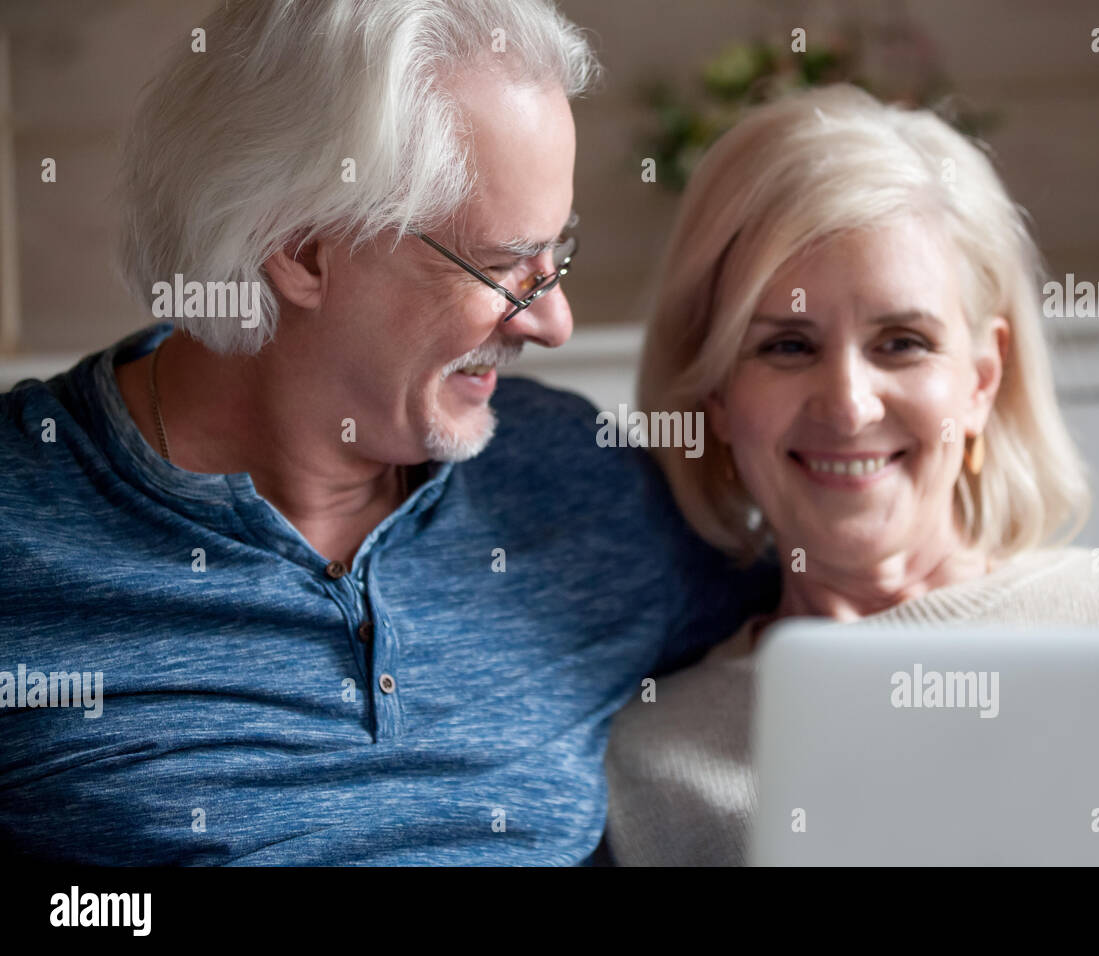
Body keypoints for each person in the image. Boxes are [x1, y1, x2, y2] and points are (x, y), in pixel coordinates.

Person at [0, 0, 776, 865]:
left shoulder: (579, 483)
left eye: (557, 253)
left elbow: (841, 593)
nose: (552, 322)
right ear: (299, 252)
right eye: (502, 264)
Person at [603, 84, 1099, 867]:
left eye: (902, 342)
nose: (850, 407)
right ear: (717, 396)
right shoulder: (654, 767)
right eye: (787, 346)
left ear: (983, 378)